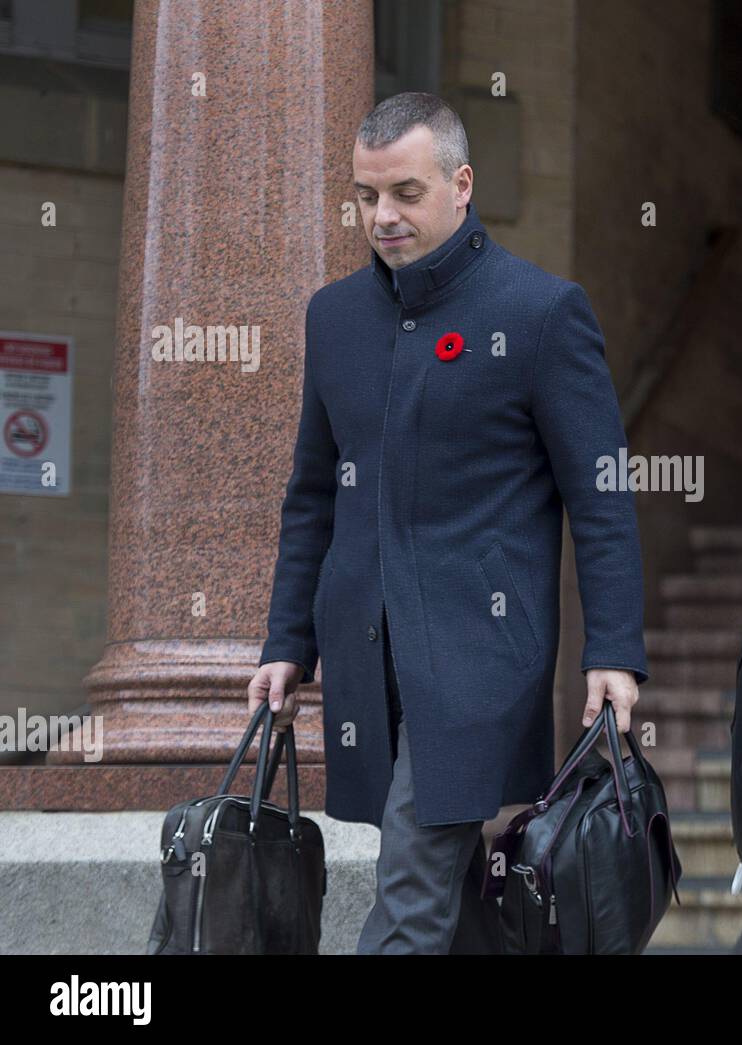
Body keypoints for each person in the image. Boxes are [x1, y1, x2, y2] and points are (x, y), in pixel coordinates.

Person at [245, 93, 648, 953]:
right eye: (364, 196)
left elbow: (602, 496)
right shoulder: (334, 316)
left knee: (409, 895)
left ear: (461, 185)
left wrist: (612, 649)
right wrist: (287, 639)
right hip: (365, 654)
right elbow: (313, 492)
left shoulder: (542, 313)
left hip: (479, 657)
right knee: (460, 905)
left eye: (405, 193)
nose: (382, 216)